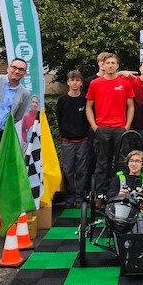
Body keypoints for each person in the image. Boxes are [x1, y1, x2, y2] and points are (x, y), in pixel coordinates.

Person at [85, 52, 135, 196]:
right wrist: (95, 127)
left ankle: (119, 193)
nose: (110, 65)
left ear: (117, 65)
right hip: (102, 129)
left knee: (121, 163)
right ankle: (100, 195)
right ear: (103, 65)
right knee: (102, 163)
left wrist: (127, 126)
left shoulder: (124, 83)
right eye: (108, 63)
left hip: (120, 129)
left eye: (113, 63)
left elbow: (131, 106)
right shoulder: (95, 83)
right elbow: (88, 107)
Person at [0, 57, 32, 170]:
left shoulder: (25, 94)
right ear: (8, 68)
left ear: (25, 73)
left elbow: (17, 116)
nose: (17, 71)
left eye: (21, 69)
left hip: (0, 137)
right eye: (14, 67)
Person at [56, 71, 92, 206]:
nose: (75, 83)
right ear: (68, 82)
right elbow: (60, 119)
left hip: (83, 140)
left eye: (77, 80)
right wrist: (64, 135)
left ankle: (79, 197)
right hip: (67, 141)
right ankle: (69, 197)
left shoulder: (85, 100)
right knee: (68, 170)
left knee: (82, 170)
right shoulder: (62, 100)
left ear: (81, 82)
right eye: (72, 80)